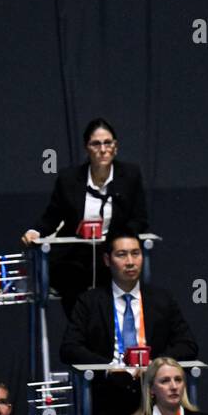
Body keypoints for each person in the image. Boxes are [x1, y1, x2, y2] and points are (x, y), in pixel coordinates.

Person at [60, 232, 198, 415]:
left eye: (136, 254)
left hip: (155, 392)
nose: (131, 262)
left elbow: (188, 345)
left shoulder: (162, 299)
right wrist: (109, 368)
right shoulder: (90, 302)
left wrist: (156, 366)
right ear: (107, 260)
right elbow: (69, 348)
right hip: (110, 394)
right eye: (122, 255)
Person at [21, 118, 151, 317]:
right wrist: (34, 232)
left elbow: (139, 219)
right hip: (75, 256)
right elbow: (52, 216)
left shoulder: (130, 175)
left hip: (111, 255)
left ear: (115, 147)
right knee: (70, 282)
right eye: (96, 144)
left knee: (115, 285)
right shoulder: (69, 179)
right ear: (86, 148)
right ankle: (80, 334)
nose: (103, 149)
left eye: (108, 143)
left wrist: (118, 241)